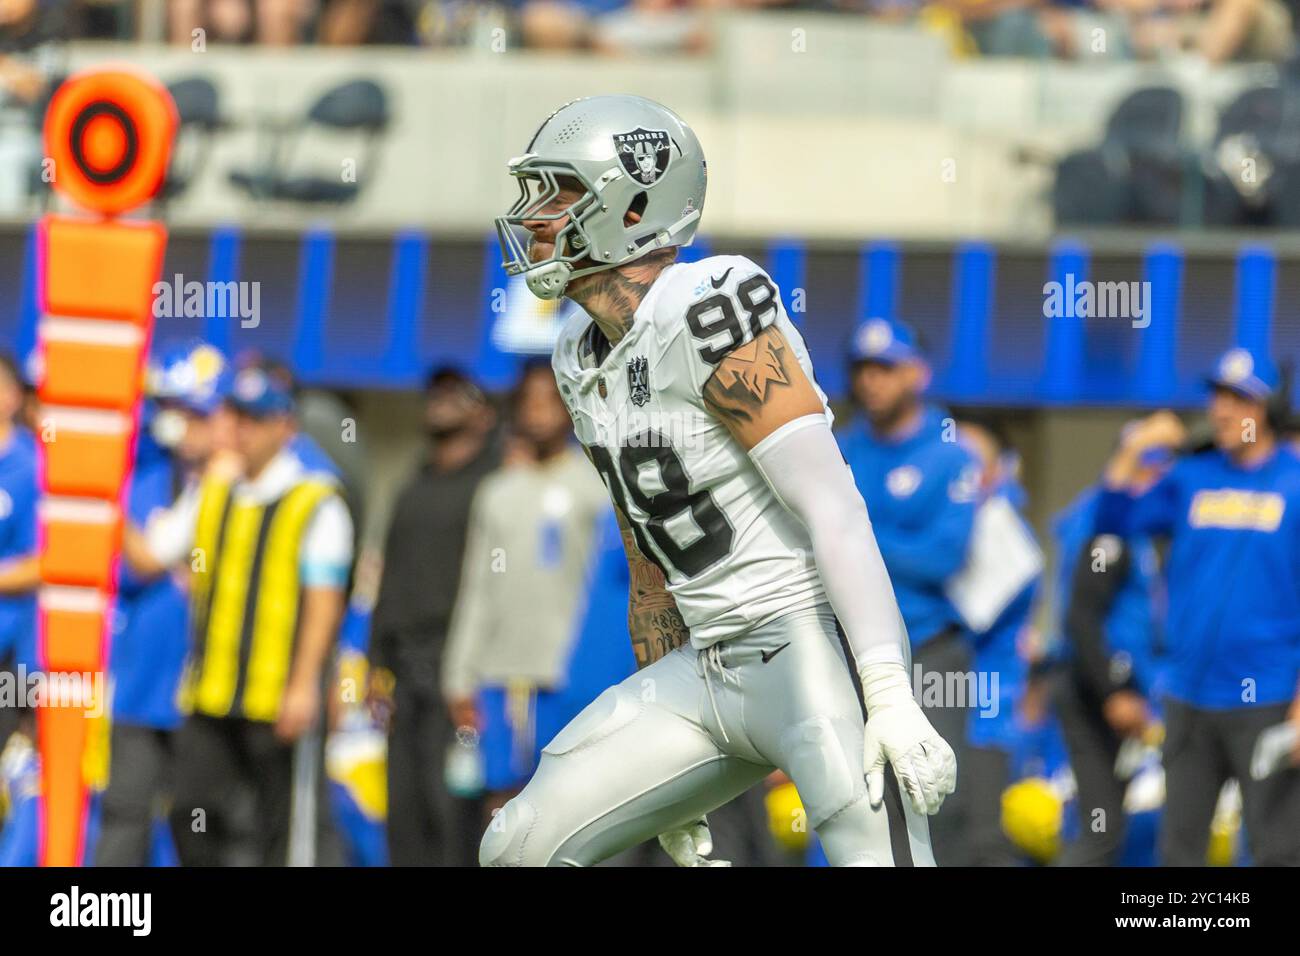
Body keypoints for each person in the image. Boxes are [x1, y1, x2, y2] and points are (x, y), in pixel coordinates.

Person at [482, 94, 955, 867]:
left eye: (559, 193)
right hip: (706, 668)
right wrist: (663, 754)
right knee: (517, 847)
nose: (536, 217)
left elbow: (833, 506)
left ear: (632, 205)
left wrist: (890, 691)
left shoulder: (712, 303)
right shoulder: (576, 352)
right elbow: (646, 549)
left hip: (810, 651)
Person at [135, 363, 353, 865]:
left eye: (256, 419)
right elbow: (152, 554)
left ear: (285, 428)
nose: (243, 430)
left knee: (285, 826)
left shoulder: (314, 501)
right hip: (212, 690)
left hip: (275, 694)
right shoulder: (213, 489)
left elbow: (324, 602)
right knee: (191, 809)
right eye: (237, 416)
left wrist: (303, 684)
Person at [1096, 347, 1300, 866]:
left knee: (1278, 850)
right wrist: (1136, 445)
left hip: (1269, 698)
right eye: (1218, 397)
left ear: (1270, 410)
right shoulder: (1191, 478)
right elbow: (1113, 522)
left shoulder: (1294, 483)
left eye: (1241, 399)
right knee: (1178, 853)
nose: (1224, 411)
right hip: (1187, 697)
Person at [835, 317, 982, 864]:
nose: (872, 381)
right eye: (863, 369)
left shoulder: (950, 451)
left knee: (934, 793)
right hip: (849, 649)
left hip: (929, 648)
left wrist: (855, 532)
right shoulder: (838, 446)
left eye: (887, 368)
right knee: (849, 793)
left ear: (917, 373)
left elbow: (943, 557)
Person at [441, 361, 612, 817]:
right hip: (501, 676)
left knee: (569, 806)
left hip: (569, 678)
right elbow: (476, 587)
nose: (538, 413)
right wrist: (460, 672)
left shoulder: (596, 487)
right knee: (502, 808)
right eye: (528, 402)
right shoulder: (496, 492)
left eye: (548, 401)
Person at [368, 366, 500, 867]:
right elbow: (390, 579)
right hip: (406, 672)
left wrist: (473, 674)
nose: (440, 401)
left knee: (454, 811)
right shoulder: (412, 485)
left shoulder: (493, 484)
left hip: (462, 673)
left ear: (484, 415)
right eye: (435, 392)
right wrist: (376, 661)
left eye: (455, 393)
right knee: (405, 810)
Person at [1051, 448, 1166, 866]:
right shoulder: (1111, 526)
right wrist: (1114, 691)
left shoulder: (1135, 529)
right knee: (1101, 832)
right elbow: (1081, 617)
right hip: (1094, 687)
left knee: (1109, 829)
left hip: (1118, 688)